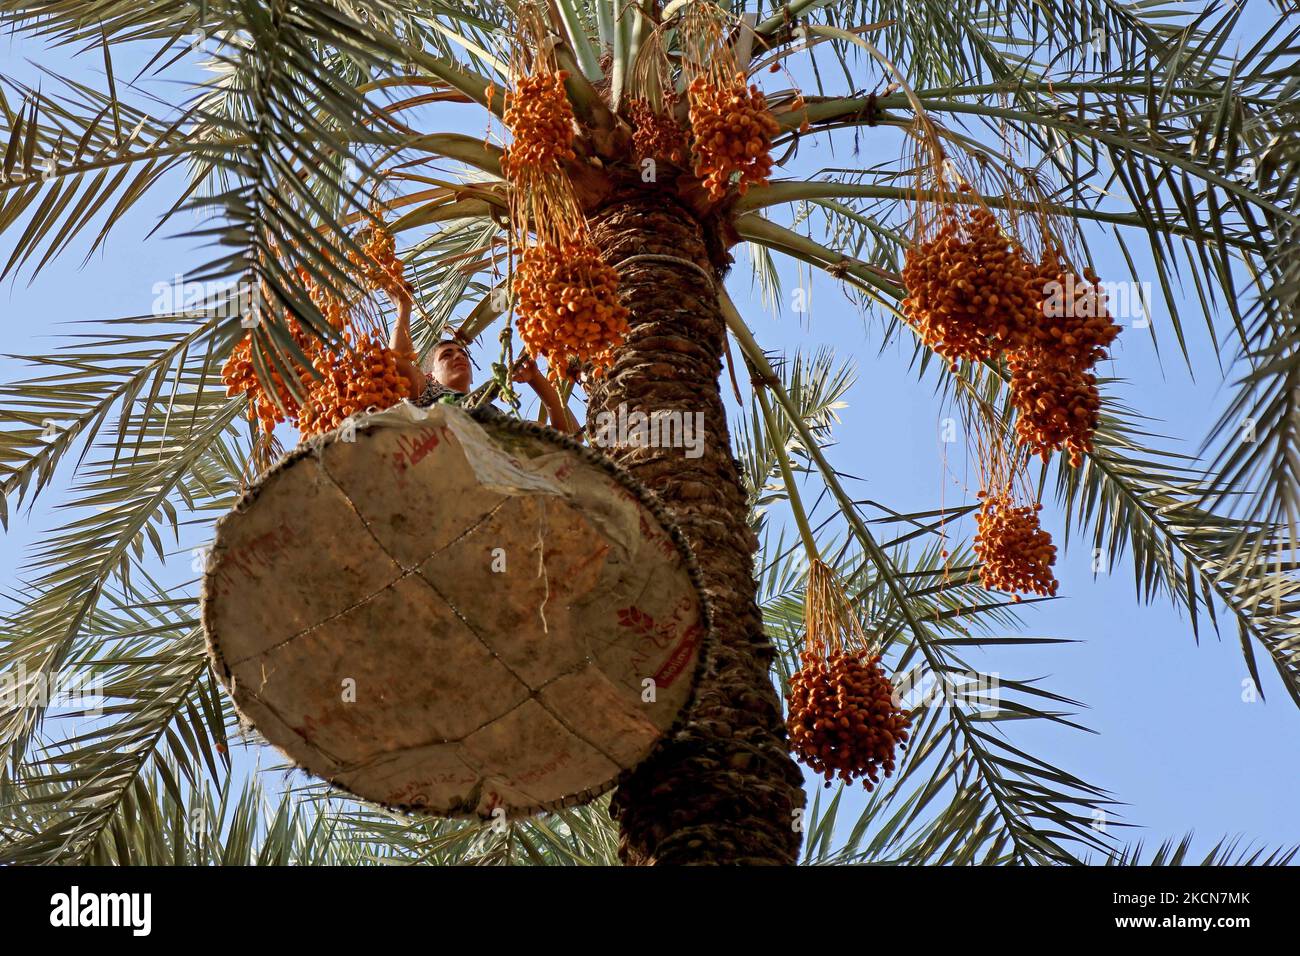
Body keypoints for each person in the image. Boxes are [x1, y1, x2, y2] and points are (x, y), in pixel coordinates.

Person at [384, 283, 580, 434]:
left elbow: (570, 437)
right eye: (446, 355)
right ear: (429, 376)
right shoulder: (427, 393)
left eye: (462, 353)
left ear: (472, 378)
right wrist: (404, 305)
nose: (459, 356)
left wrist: (535, 378)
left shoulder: (496, 416)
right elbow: (398, 363)